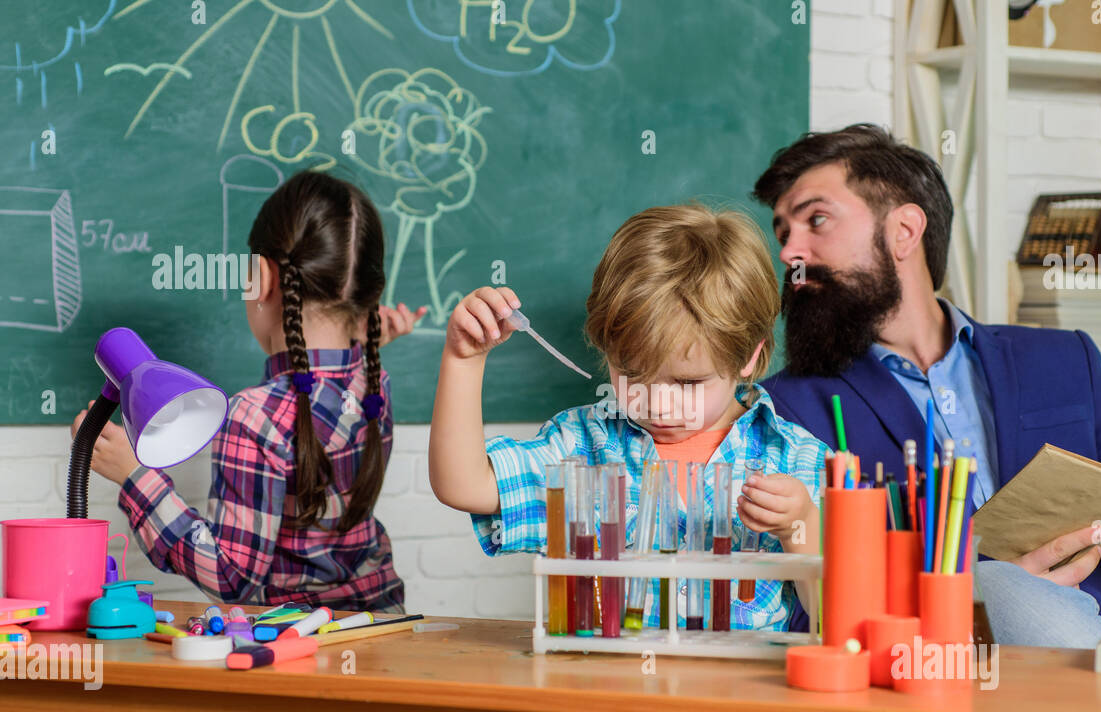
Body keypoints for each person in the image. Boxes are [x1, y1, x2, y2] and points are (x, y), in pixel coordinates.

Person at [754, 124, 1101, 646]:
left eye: (816, 220)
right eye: (784, 233)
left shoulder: (1065, 360)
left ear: (904, 230)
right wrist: (978, 591)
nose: (792, 252)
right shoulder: (787, 408)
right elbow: (800, 611)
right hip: (933, 668)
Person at [429, 205, 828, 630]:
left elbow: (834, 614)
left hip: (736, 695)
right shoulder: (582, 444)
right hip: (600, 691)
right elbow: (464, 486)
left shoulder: (793, 458)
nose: (658, 404)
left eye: (687, 383)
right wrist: (464, 362)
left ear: (749, 356)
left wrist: (800, 525)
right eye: (633, 375)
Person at [74, 171, 426, 612]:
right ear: (367, 294)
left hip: (295, 650)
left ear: (261, 277)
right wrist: (366, 337)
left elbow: (230, 577)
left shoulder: (254, 417)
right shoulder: (374, 384)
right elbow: (330, 401)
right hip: (382, 628)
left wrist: (134, 476)